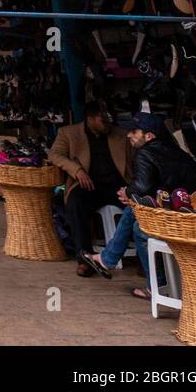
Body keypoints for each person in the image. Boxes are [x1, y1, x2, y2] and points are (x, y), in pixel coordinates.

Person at [83, 113, 196, 291]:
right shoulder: (182, 154)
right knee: (135, 211)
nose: (129, 135)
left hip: (169, 224)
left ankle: (156, 286)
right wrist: (131, 194)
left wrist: (127, 192)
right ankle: (108, 259)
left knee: (139, 228)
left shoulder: (145, 153)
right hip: (187, 218)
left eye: (134, 132)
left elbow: (142, 186)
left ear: (149, 136)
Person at [48, 102, 133, 277]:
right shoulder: (69, 133)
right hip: (89, 186)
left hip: (118, 185)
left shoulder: (121, 135)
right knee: (76, 203)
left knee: (140, 208)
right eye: (103, 120)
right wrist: (76, 170)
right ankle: (84, 258)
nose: (108, 124)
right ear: (90, 119)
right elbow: (54, 155)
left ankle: (145, 258)